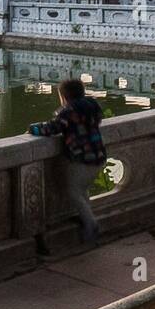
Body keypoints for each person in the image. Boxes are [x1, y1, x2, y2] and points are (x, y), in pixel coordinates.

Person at [29, 78, 106, 243]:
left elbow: (52, 129)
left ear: (64, 96)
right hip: (98, 155)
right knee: (81, 189)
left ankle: (91, 225)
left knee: (73, 192)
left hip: (82, 158)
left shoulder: (68, 112)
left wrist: (34, 128)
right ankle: (87, 217)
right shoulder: (93, 107)